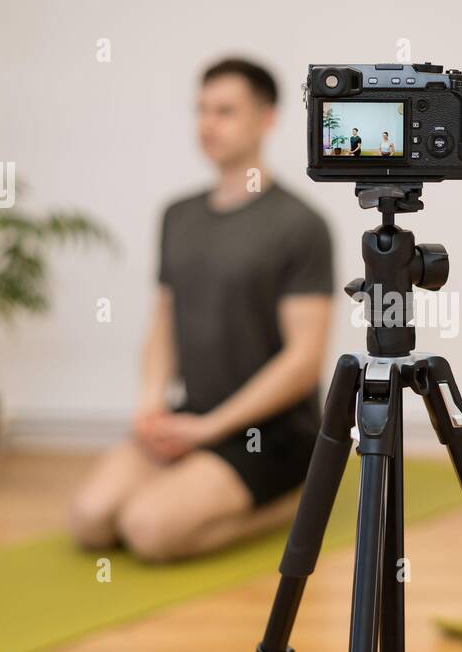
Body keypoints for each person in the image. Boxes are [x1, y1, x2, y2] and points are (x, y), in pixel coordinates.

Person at [69, 58, 335, 562]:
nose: (207, 125)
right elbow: (163, 322)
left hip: (273, 432)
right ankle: (194, 480)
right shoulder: (179, 215)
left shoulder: (300, 224)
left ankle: (306, 494)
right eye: (201, 110)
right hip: (192, 413)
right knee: (91, 519)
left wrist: (211, 430)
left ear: (267, 118)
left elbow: (305, 362)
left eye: (225, 111)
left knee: (147, 530)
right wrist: (150, 405)